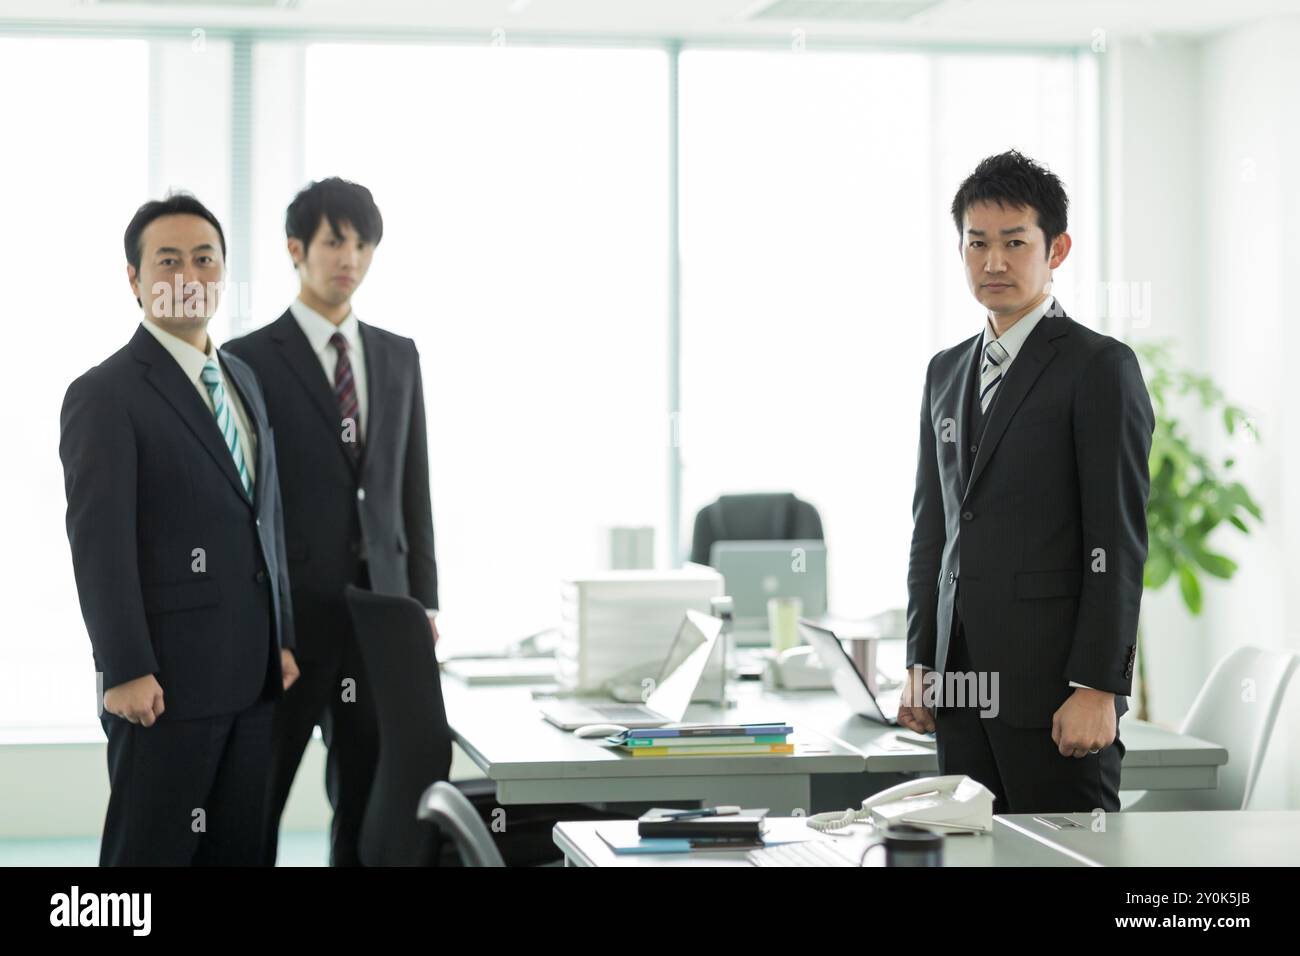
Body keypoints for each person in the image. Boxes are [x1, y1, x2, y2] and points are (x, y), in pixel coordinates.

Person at [899, 150, 1154, 814]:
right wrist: (922, 664)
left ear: (1056, 249)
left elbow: (1116, 540)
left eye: (1015, 243)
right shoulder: (945, 372)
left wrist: (1098, 686)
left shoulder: (1098, 367)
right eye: (977, 244)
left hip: (1056, 695)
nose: (994, 262)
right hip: (962, 690)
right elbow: (936, 532)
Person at [60, 192, 299, 865]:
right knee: (151, 856)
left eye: (204, 259)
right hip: (163, 685)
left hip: (252, 676)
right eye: (168, 262)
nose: (188, 277)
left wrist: (280, 639)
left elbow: (264, 518)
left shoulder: (243, 379)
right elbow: (99, 546)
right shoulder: (105, 394)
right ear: (134, 280)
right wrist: (125, 668)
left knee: (240, 850)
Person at [225, 177, 439, 866]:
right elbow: (243, 504)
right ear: (297, 249)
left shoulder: (398, 354)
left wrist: (424, 602)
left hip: (381, 618)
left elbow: (413, 489)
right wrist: (262, 627)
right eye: (334, 241)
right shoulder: (249, 360)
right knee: (257, 800)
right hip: (291, 626)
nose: (350, 257)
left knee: (370, 800)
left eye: (363, 242)